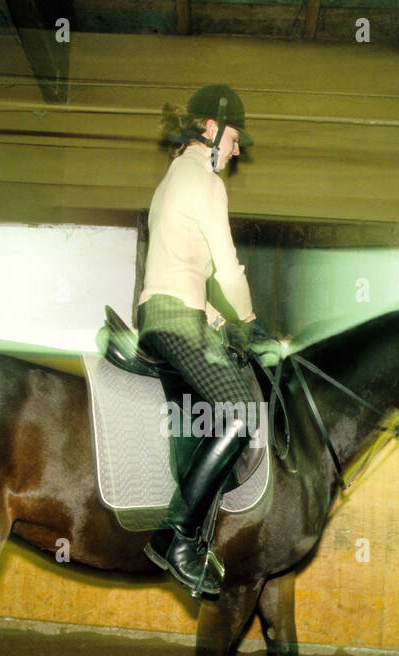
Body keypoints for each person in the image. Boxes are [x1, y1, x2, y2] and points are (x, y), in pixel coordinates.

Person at [136, 84, 260, 598]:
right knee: (240, 413)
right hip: (171, 320)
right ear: (211, 129)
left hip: (168, 312)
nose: (237, 148)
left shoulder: (172, 178)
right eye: (234, 138)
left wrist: (214, 320)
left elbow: (177, 271)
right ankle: (178, 537)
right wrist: (249, 321)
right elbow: (228, 270)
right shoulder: (206, 182)